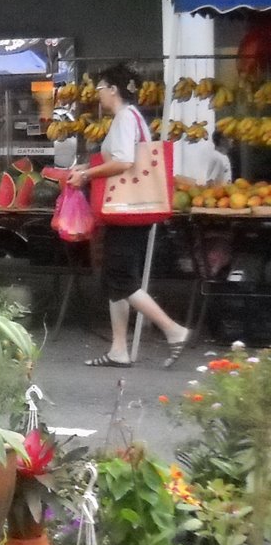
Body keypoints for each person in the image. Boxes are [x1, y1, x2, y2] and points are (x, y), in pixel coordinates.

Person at [68, 63, 190, 368]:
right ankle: (119, 349)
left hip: (127, 210)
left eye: (99, 89)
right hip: (128, 209)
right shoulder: (133, 117)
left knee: (120, 277)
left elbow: (123, 162)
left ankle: (173, 330)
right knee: (114, 279)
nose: (97, 96)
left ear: (112, 89)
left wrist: (86, 176)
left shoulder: (124, 118)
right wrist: (87, 169)